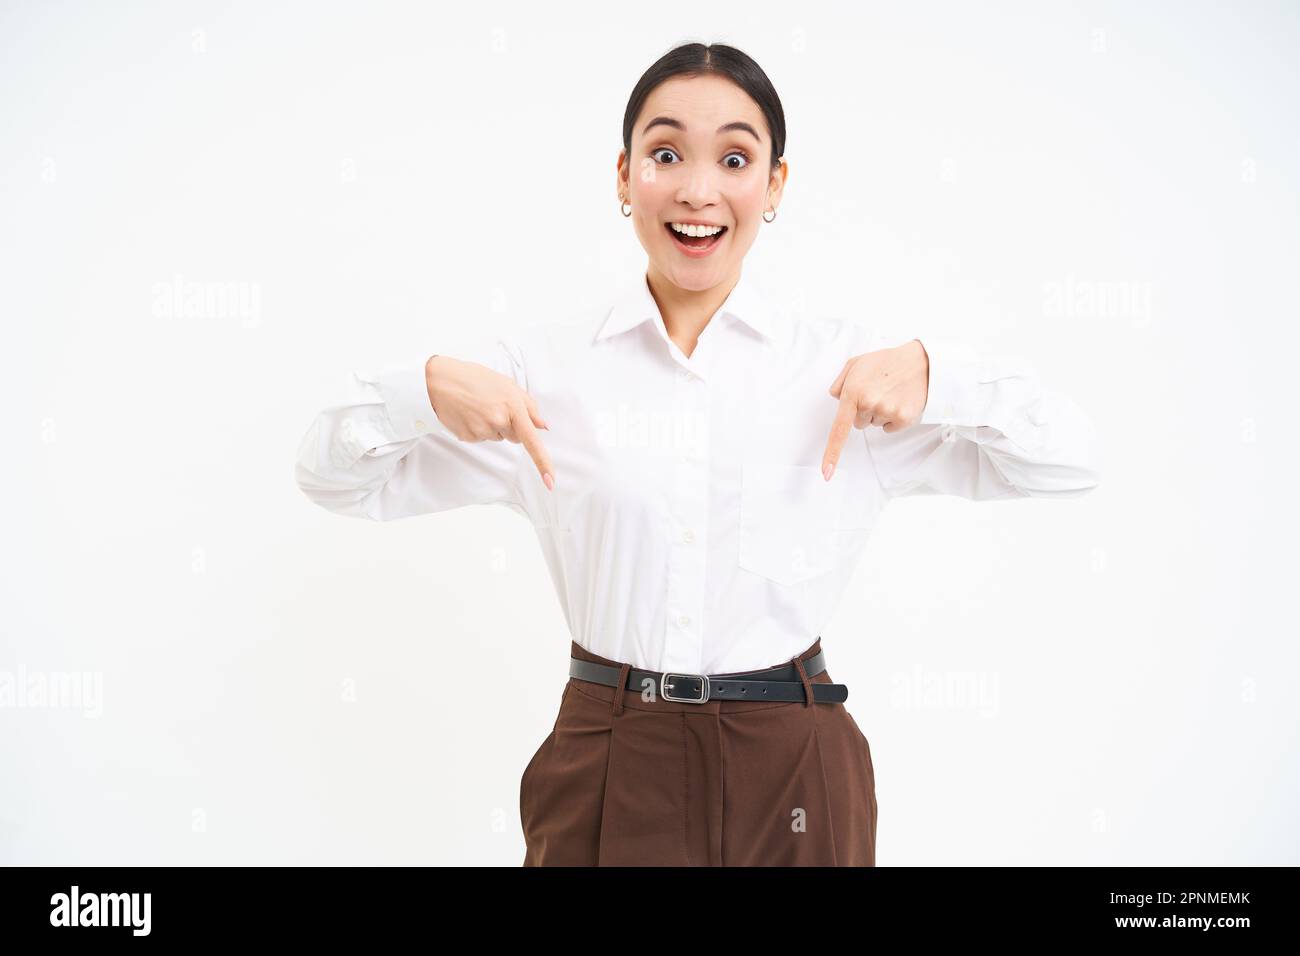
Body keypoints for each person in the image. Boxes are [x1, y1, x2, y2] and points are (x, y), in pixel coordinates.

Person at [293, 41, 1101, 866]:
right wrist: (422, 388)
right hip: (608, 752)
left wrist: (943, 374)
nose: (698, 190)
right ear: (623, 175)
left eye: (736, 158)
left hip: (793, 763)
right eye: (666, 153)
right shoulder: (545, 376)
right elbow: (332, 477)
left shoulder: (845, 373)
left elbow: (1069, 459)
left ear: (775, 184)